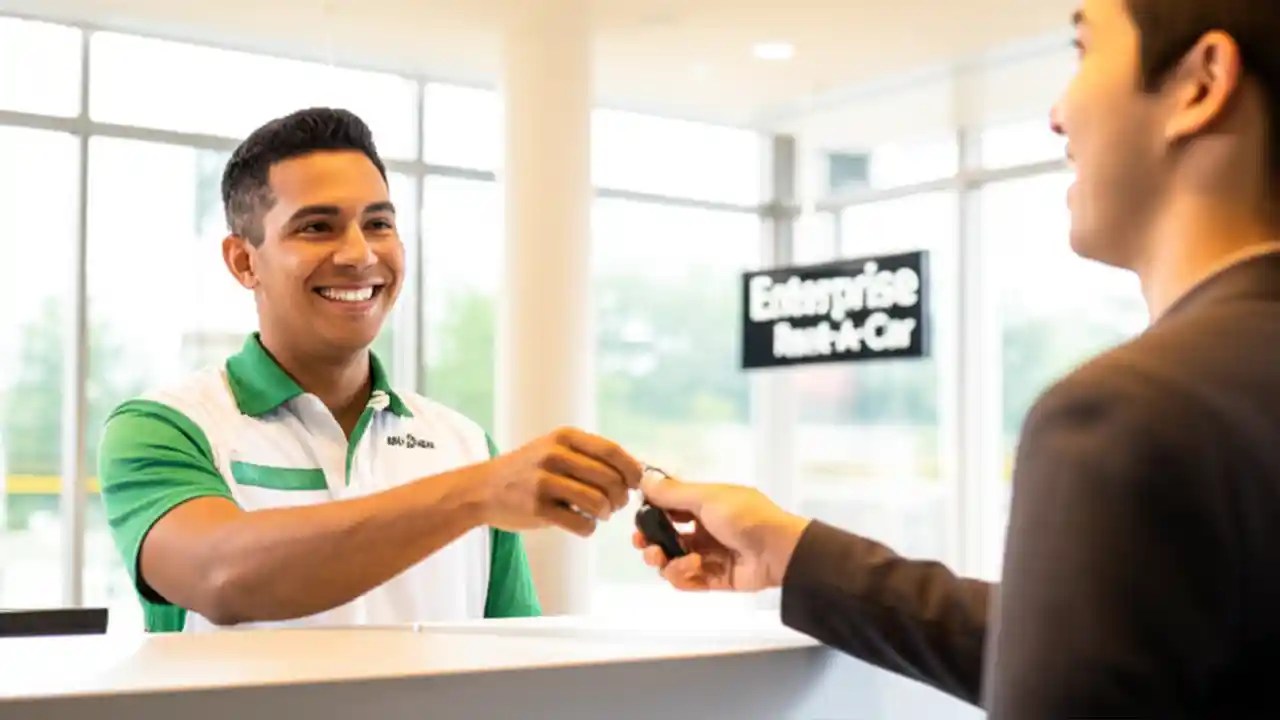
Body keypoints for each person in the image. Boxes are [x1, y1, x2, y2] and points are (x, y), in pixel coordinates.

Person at [635, 0, 1280, 716]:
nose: (1058, 115)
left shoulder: (1126, 413)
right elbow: (1108, 648)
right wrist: (793, 555)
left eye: (1083, 49)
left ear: (1202, 82)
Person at [99, 107, 642, 633]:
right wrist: (474, 495)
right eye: (317, 227)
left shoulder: (464, 445)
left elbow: (515, 676)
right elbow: (221, 576)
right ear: (244, 261)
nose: (360, 254)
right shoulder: (166, 427)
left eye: (378, 223)